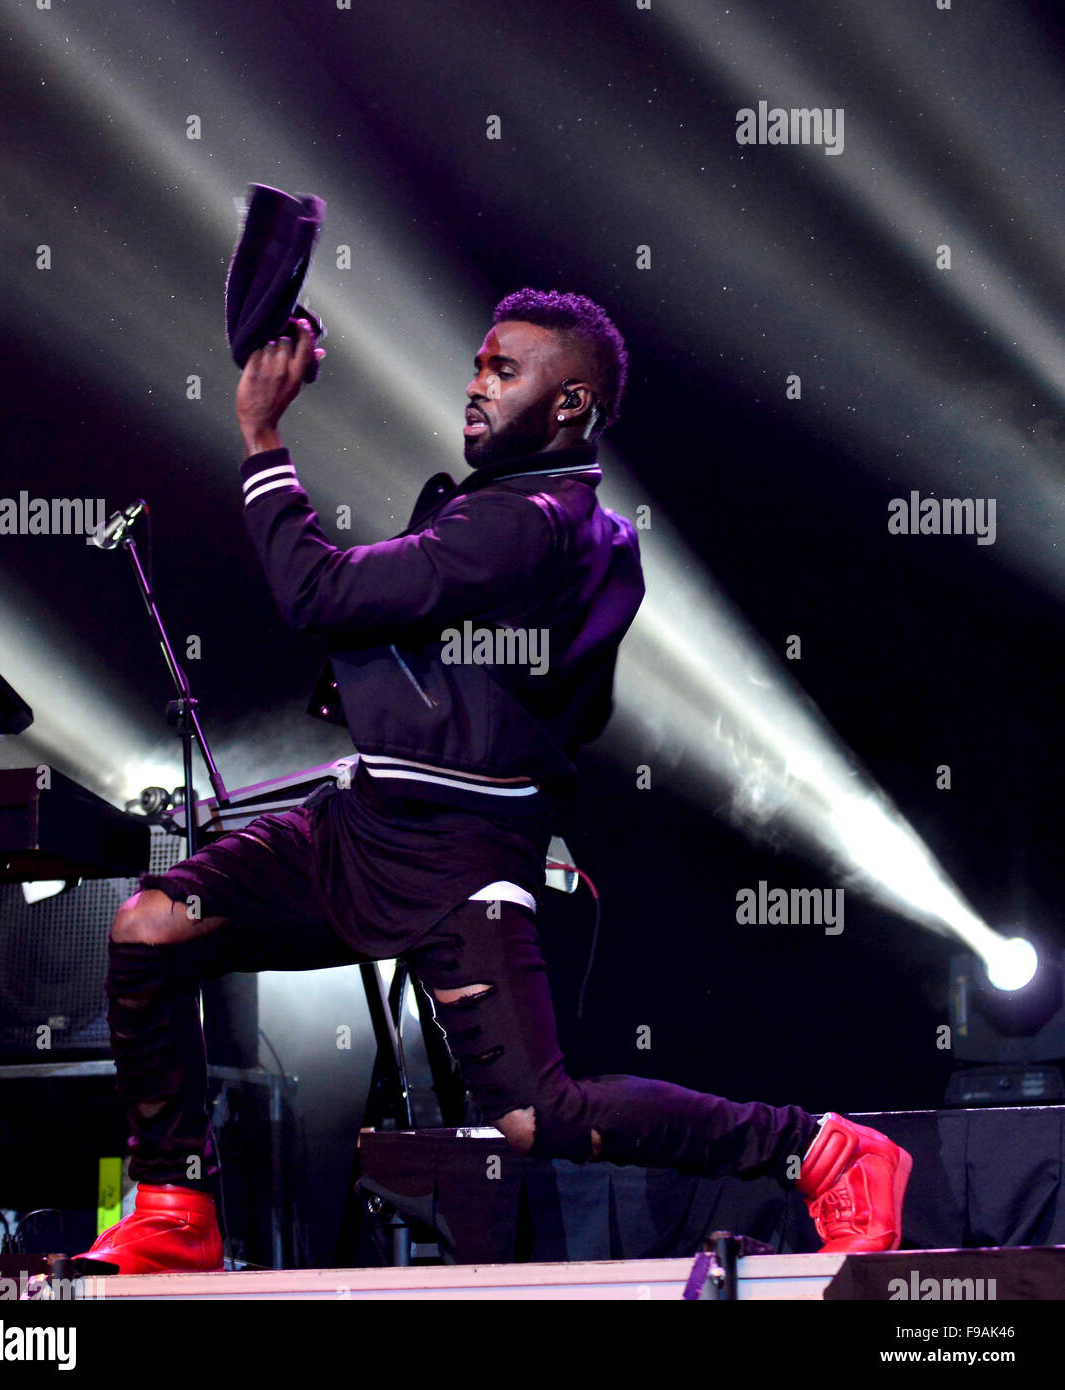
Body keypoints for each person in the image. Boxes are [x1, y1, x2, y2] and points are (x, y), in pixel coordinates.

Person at [80, 289, 911, 1273]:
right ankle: (175, 1203)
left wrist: (263, 436)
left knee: (531, 1115)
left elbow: (321, 591)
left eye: (504, 370)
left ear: (571, 404)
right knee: (149, 926)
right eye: (477, 363)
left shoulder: (534, 524)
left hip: (458, 854)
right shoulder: (524, 519)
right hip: (361, 826)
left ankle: (816, 1147)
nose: (475, 385)